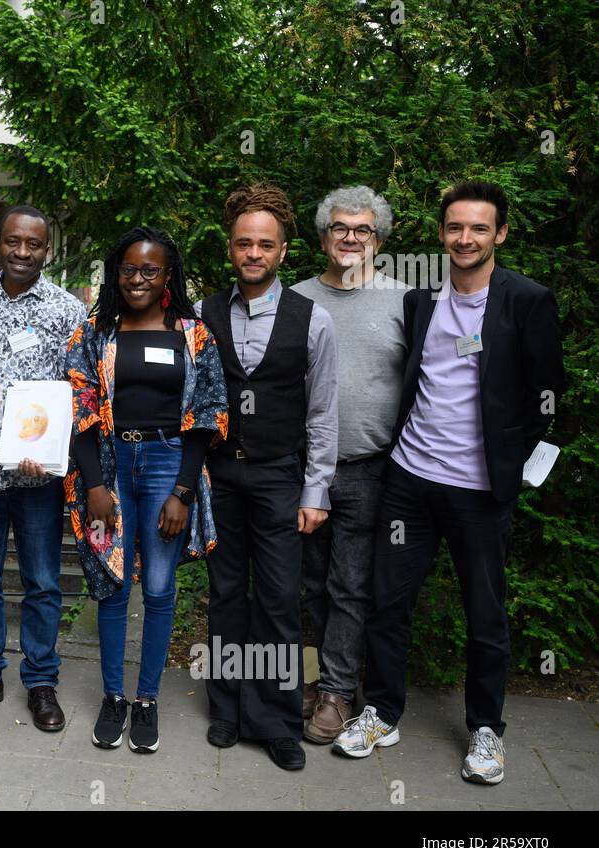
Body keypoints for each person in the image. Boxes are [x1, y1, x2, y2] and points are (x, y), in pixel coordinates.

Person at [334, 181, 565, 786]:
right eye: (455, 228)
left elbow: (547, 395)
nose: (465, 238)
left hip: (481, 492)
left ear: (500, 235)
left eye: (479, 228)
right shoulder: (421, 303)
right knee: (388, 603)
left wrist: (510, 457)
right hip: (409, 480)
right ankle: (382, 711)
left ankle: (486, 729)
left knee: (484, 613)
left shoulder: (527, 300)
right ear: (441, 234)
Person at [66, 226, 228, 754]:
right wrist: (93, 485)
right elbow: (80, 411)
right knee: (113, 584)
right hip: (109, 467)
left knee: (158, 589)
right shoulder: (97, 330)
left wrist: (182, 491)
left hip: (167, 464)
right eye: (129, 269)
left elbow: (208, 414)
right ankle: (114, 696)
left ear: (168, 275)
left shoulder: (192, 333)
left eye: (150, 270)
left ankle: (147, 700)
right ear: (117, 273)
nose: (137, 279)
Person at [198, 182, 339, 772]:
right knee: (227, 595)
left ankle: (276, 718)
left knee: (280, 600)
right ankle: (228, 708)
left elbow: (324, 413)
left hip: (281, 477)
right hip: (220, 476)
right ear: (230, 249)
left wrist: (316, 490)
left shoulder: (314, 320)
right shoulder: (203, 314)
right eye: (243, 244)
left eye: (265, 245)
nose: (253, 254)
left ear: (283, 252)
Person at [0, 205, 86, 731]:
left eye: (33, 244)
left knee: (42, 582)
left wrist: (55, 447)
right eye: (14, 242)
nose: (23, 252)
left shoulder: (66, 310)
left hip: (39, 477)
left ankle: (41, 681)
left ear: (46, 249)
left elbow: (80, 391)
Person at [291, 186, 409, 743]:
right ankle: (319, 681)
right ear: (323, 237)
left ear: (379, 241)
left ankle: (338, 692)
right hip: (303, 467)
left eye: (363, 230)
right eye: (341, 228)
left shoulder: (407, 302)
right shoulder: (294, 300)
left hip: (370, 468)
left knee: (350, 585)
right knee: (310, 582)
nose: (351, 238)